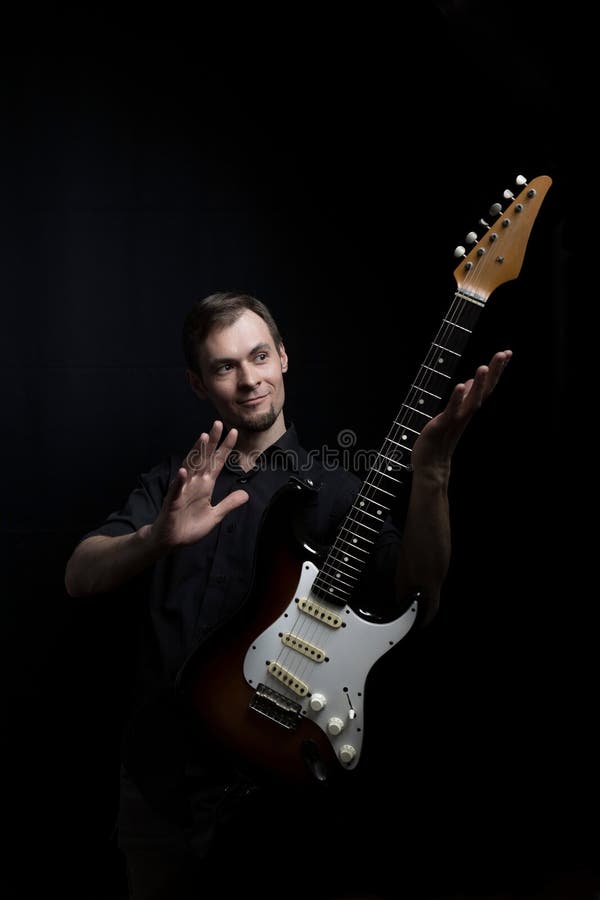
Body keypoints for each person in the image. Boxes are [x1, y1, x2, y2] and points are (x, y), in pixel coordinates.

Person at [65, 291, 512, 900]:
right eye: (225, 367)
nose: (249, 380)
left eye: (257, 356)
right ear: (199, 385)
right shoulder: (174, 483)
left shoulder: (338, 489)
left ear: (282, 356)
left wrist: (432, 473)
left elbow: (419, 595)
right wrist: (154, 537)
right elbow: (79, 574)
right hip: (161, 782)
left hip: (281, 793)